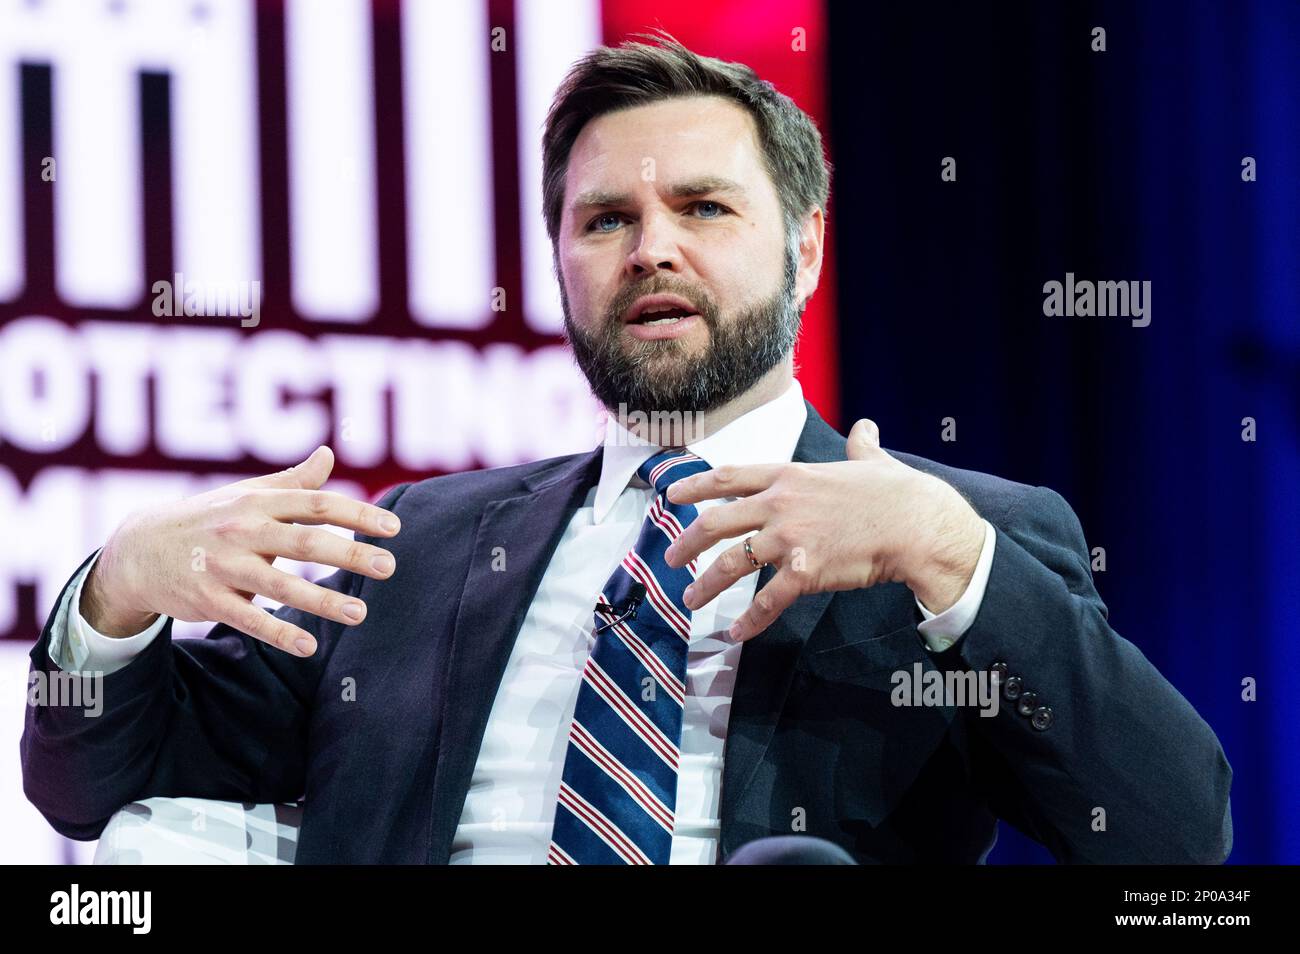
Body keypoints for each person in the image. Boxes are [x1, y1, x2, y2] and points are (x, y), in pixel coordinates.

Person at [21, 32, 1231, 865]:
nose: (651, 249)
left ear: (805, 247)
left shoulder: (963, 535)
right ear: (558, 264)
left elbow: (1175, 834)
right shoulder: (420, 546)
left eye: (703, 207)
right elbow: (86, 793)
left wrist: (949, 556)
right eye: (605, 219)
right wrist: (118, 591)